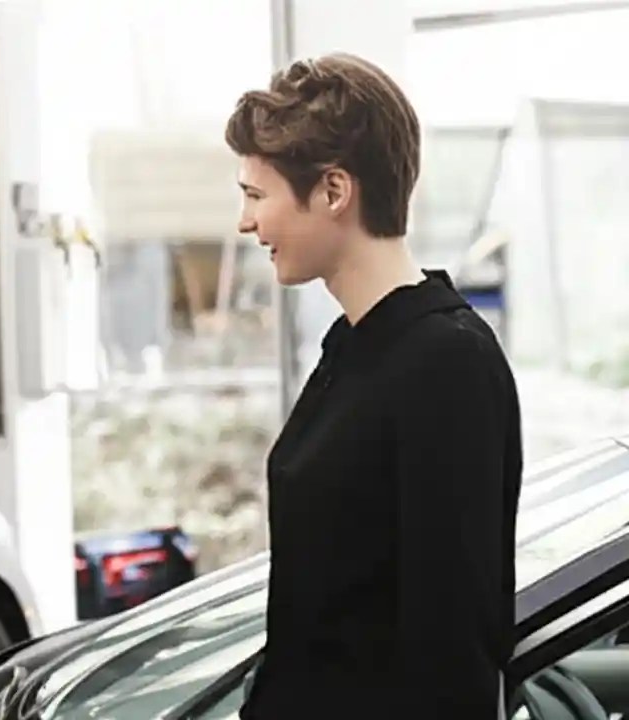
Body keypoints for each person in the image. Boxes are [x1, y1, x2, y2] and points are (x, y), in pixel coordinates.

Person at [224, 54, 523, 719]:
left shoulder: (446, 364)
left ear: (333, 191)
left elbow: (452, 651)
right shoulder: (357, 343)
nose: (246, 224)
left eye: (254, 196)